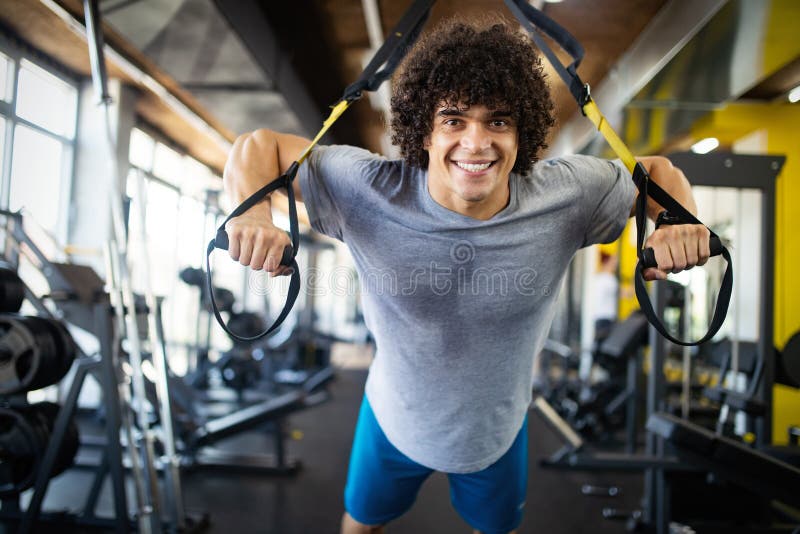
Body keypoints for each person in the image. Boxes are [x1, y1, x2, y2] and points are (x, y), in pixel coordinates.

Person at [221, 16, 709, 534]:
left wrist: (676, 220)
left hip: (494, 434)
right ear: (424, 132)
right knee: (361, 526)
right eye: (453, 120)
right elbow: (258, 146)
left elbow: (656, 172)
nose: (476, 143)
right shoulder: (369, 188)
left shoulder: (566, 194)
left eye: (498, 121)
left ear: (521, 131)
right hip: (392, 418)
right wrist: (250, 214)